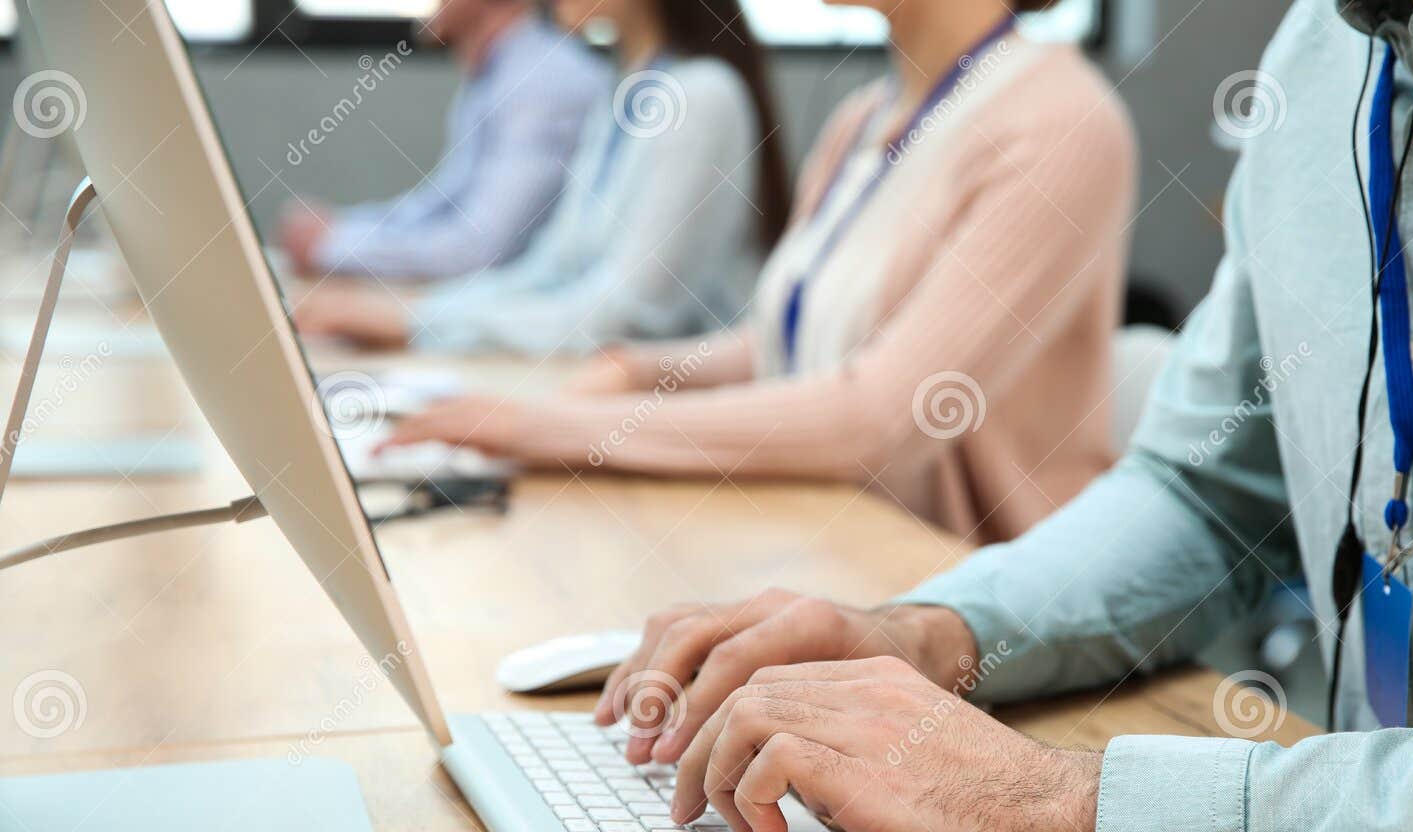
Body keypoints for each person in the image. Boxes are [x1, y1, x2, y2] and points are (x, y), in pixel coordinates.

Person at [592, 0, 1413, 832]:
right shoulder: (1321, 53)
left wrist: (1079, 805)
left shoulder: (1053, 109)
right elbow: (1208, 491)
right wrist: (933, 629)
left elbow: (876, 407)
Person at [378, 0, 1135, 542]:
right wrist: (638, 370)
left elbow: (877, 420)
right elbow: (786, 342)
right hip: (834, 541)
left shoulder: (1059, 122)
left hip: (968, 592)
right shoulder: (863, 119)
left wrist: (545, 426)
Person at [294, 0, 787, 358]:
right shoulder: (623, 99)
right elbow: (547, 270)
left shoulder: (702, 98)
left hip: (677, 422)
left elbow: (628, 318)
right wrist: (417, 315)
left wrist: (417, 322)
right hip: (608, 395)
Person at [278, 0, 606, 282]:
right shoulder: (498, 71)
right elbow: (441, 205)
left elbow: (480, 250)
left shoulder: (545, 82)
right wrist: (342, 228)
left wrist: (335, 246)